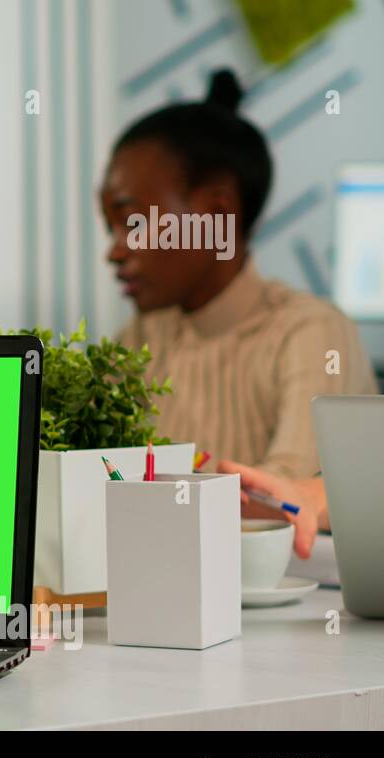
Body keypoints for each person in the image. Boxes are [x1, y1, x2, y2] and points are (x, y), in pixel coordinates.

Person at [100, 69, 376, 479]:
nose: (115, 251)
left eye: (133, 223)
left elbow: (285, 497)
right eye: (112, 229)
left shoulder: (309, 333)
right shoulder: (140, 339)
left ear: (217, 213)